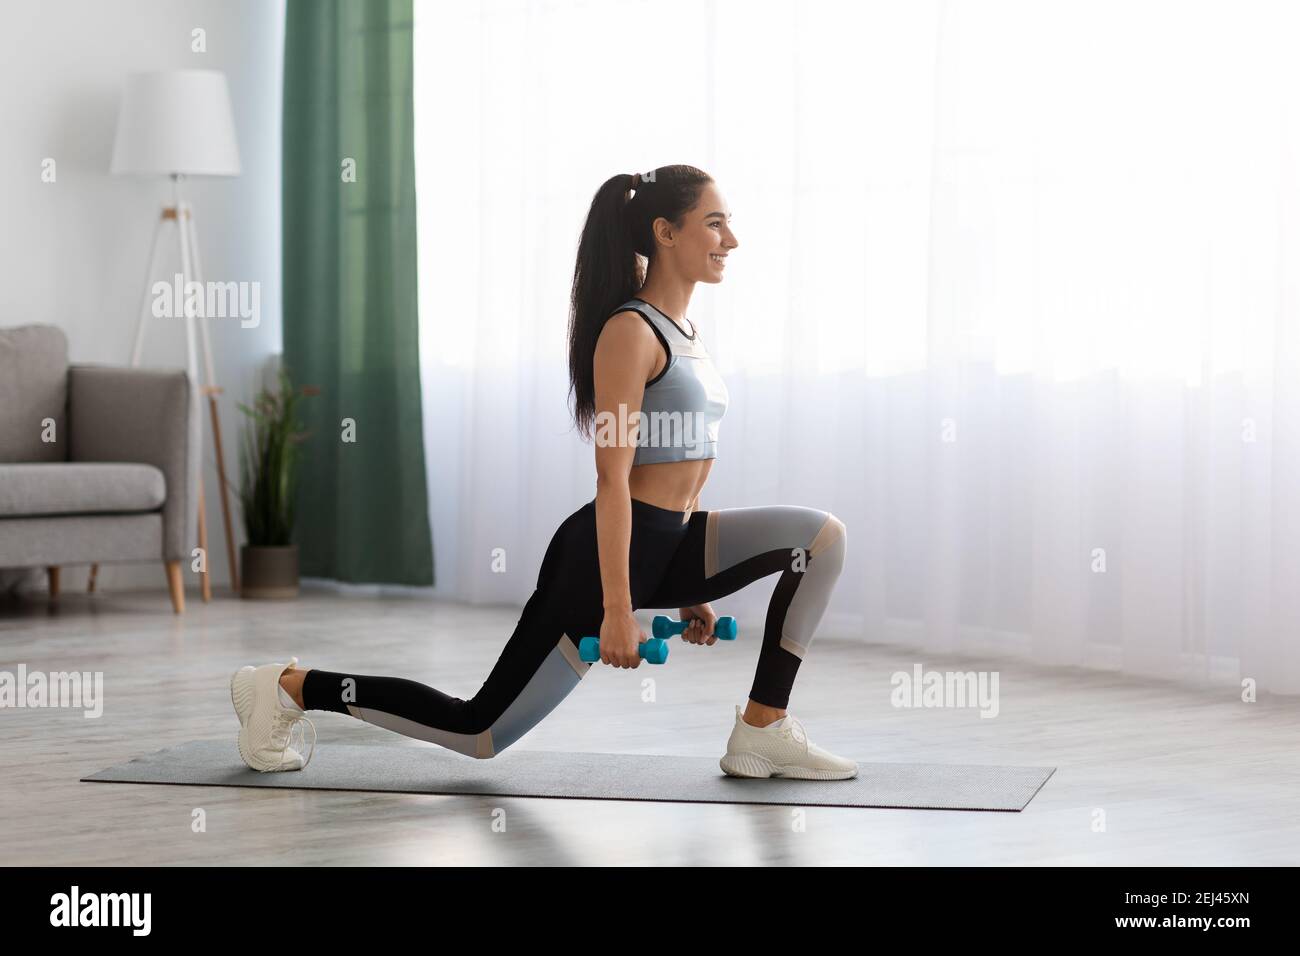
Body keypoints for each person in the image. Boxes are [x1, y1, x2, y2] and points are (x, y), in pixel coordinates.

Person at [230, 164, 854, 780]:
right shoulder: (629, 333)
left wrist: (691, 591)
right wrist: (618, 607)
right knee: (478, 731)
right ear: (666, 232)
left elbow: (685, 467)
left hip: (675, 541)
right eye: (715, 224)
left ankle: (763, 728)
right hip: (605, 556)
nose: (731, 241)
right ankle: (287, 688)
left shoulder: (686, 330)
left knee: (818, 539)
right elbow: (613, 481)